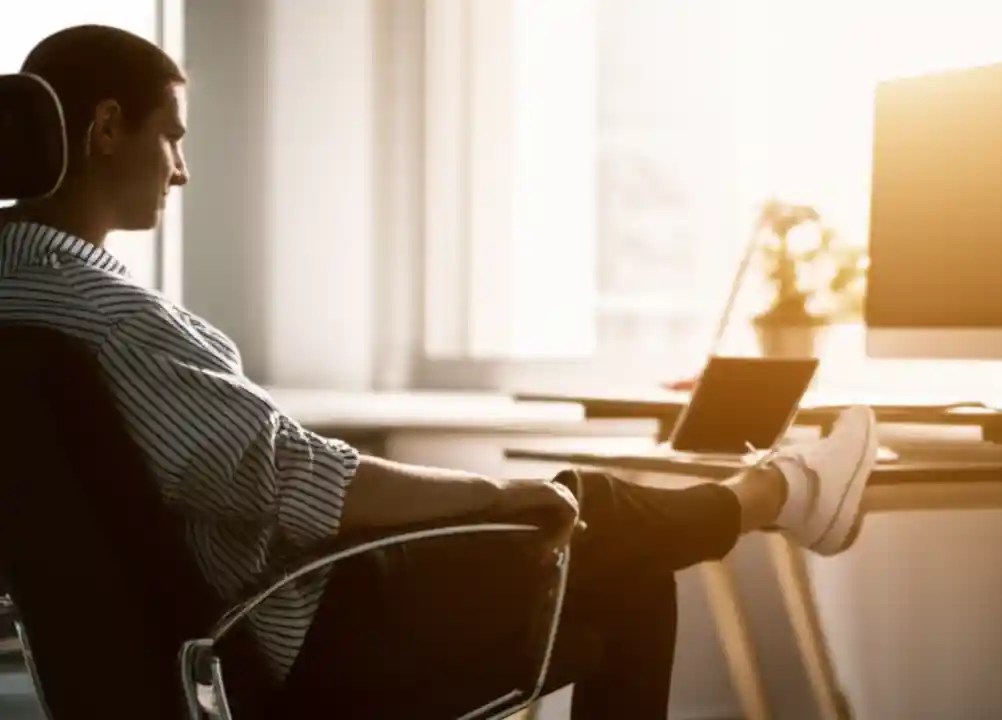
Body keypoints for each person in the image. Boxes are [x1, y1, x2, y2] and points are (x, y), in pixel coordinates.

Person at [0, 25, 879, 718]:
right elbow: (295, 477)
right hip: (296, 638)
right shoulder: (108, 318)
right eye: (170, 137)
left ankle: (776, 494)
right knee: (593, 514)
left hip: (191, 649)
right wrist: (494, 498)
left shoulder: (20, 295)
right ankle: (777, 492)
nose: (182, 170)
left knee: (625, 562)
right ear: (107, 129)